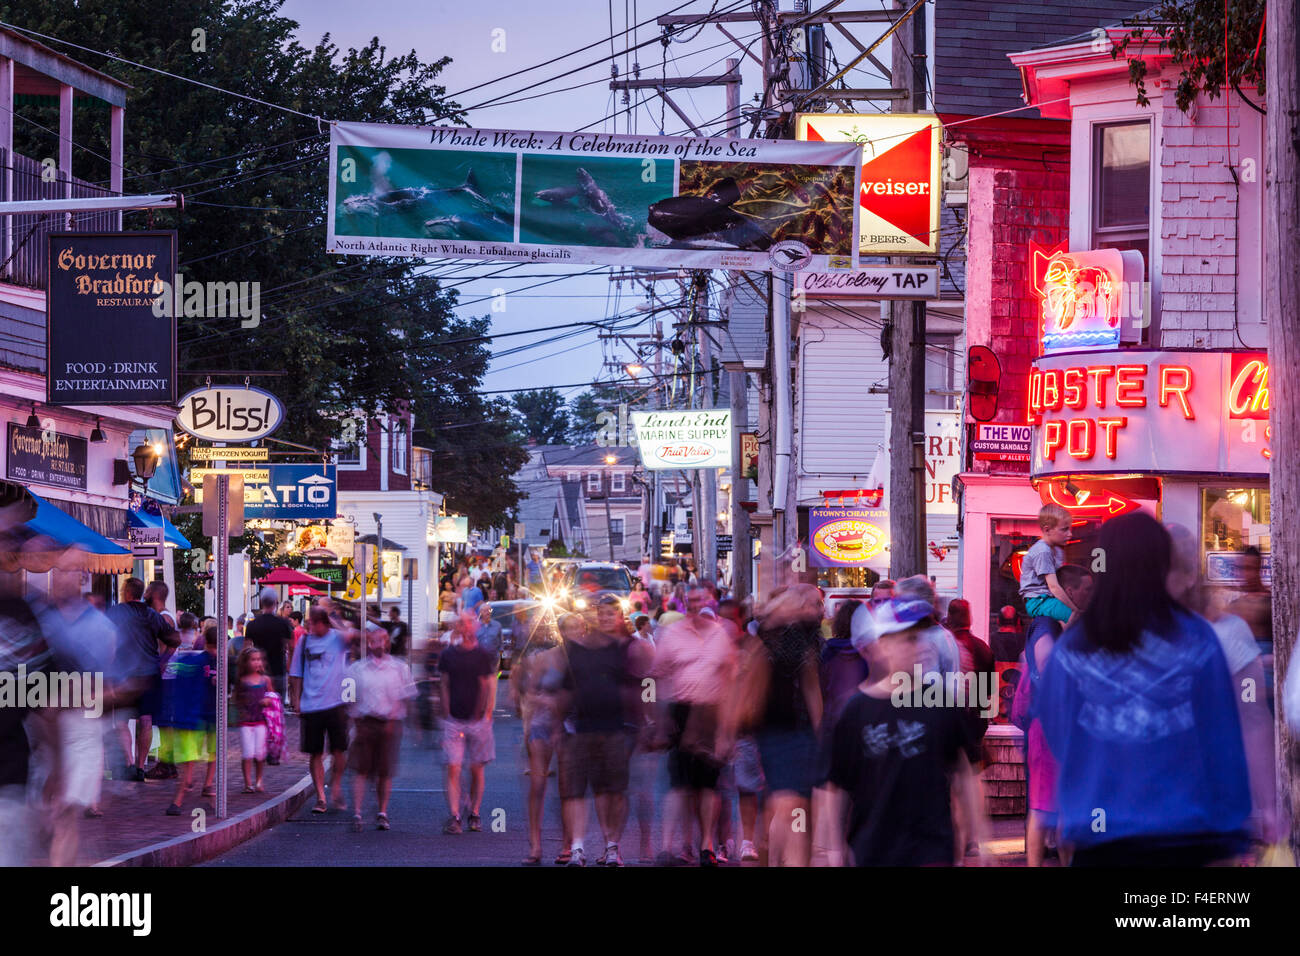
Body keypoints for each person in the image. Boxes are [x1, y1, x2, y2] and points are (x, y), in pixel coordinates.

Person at [1038, 512, 1251, 866]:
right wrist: (1233, 826)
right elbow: (1222, 738)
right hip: (1185, 836)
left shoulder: (1073, 649)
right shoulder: (1197, 640)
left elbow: (1058, 733)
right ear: (1161, 563)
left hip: (1100, 835)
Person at [824, 598, 990, 866]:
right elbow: (836, 786)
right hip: (874, 849)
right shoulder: (855, 711)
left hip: (931, 848)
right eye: (908, 639)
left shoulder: (941, 703)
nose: (919, 647)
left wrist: (978, 838)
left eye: (919, 638)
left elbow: (965, 772)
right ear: (883, 645)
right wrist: (834, 850)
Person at [1167, 525, 1275, 848]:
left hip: (1204, 807)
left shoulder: (1227, 628)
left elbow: (1253, 719)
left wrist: (1268, 805)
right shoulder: (1120, 633)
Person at [736, 584, 823, 866]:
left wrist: (820, 728)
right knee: (790, 803)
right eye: (807, 605)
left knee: (793, 805)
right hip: (778, 729)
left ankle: (775, 855)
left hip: (793, 728)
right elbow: (745, 684)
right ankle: (780, 856)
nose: (813, 611)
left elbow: (811, 686)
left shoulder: (794, 638)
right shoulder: (765, 637)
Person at [651, 586, 738, 866]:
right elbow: (655, 675)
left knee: (708, 785)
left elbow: (731, 681)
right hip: (681, 711)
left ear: (710, 603)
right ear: (685, 604)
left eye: (701, 600)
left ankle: (706, 846)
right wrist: (657, 717)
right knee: (678, 783)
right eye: (691, 601)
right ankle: (666, 848)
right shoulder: (672, 634)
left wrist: (727, 730)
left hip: (711, 712)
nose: (696, 605)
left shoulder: (720, 635)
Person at [555, 597, 642, 867]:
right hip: (581, 728)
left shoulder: (627, 647)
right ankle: (578, 848)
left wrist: (648, 719)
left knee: (613, 790)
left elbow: (646, 683)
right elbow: (565, 688)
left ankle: (613, 846)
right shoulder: (577, 650)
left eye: (609, 614)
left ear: (619, 616)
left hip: (618, 728)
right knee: (576, 791)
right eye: (600, 614)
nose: (604, 619)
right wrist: (558, 724)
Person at [1020, 564, 1092, 867]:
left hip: (1068, 725)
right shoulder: (1046, 623)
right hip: (1048, 724)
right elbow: (1046, 663)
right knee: (1041, 808)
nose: (1092, 595)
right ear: (1070, 591)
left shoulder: (1067, 625)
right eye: (1087, 589)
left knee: (1064, 807)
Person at [107, 577, 179, 782]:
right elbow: (175, 639)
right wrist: (161, 660)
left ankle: (129, 763)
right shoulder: (152, 615)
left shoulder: (116, 612)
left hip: (124, 674)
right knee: (146, 721)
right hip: (149, 673)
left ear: (127, 592)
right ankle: (140, 766)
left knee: (121, 720)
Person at [348, 622, 416, 832]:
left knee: (384, 772)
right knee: (361, 769)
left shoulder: (400, 668)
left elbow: (406, 696)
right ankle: (357, 813)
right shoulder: (357, 669)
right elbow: (347, 698)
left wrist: (399, 720)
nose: (377, 644)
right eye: (373, 640)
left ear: (387, 643)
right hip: (365, 722)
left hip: (389, 724)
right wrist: (354, 720)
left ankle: (382, 812)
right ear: (368, 643)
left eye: (382, 640)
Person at [511, 615, 568, 864]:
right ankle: (535, 846)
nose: (571, 633)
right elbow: (530, 693)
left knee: (567, 788)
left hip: (568, 726)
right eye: (566, 629)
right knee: (538, 785)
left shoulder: (583, 659)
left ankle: (569, 845)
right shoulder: (546, 658)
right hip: (541, 725)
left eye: (576, 628)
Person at [289, 607, 357, 814]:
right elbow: (296, 672)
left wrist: (333, 620)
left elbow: (353, 635)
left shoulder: (337, 638)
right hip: (311, 703)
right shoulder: (305, 641)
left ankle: (335, 785)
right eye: (309, 622)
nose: (311, 627)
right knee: (315, 752)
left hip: (335, 703)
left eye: (315, 623)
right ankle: (321, 796)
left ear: (324, 623)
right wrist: (296, 698)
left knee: (339, 751)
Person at [438, 610, 497, 834]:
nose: (466, 626)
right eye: (461, 623)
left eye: (469, 622)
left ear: (476, 626)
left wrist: (488, 713)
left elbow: (489, 684)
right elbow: (444, 683)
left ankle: (474, 811)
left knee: (476, 768)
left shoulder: (484, 655)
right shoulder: (448, 655)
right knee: (453, 766)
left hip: (478, 720)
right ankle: (454, 815)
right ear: (457, 628)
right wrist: (445, 711)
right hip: (454, 718)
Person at [164, 626, 219, 816]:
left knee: (210, 752)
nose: (215, 651)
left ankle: (207, 785)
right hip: (200, 714)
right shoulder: (201, 661)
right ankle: (182, 794)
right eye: (214, 647)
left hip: (209, 714)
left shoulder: (217, 662)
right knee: (191, 757)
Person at [1020, 503, 1080, 628]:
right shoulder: (1043, 551)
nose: (1070, 534)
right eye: (1064, 529)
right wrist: (1075, 609)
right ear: (1047, 530)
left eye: (1070, 529)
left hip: (1049, 599)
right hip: (1038, 601)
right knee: (1076, 617)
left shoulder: (1057, 550)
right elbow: (1054, 587)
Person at [1230, 545, 1273, 712]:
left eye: (1250, 568)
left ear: (1259, 569)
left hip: (1268, 682)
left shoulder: (1271, 603)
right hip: (1245, 682)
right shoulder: (1235, 605)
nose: (1246, 575)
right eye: (1242, 568)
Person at [235, 647, 272, 793]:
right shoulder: (242, 681)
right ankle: (248, 783)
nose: (257, 662)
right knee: (247, 753)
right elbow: (236, 699)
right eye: (253, 659)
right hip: (246, 722)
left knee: (260, 753)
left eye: (259, 659)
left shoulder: (265, 680)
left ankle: (259, 780)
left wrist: (268, 700)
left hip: (261, 721)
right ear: (246, 662)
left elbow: (272, 696)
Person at [246, 587, 293, 703]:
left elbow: (246, 650)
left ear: (261, 602)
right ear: (276, 602)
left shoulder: (252, 625)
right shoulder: (283, 624)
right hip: (278, 671)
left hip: (258, 673)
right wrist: (289, 667)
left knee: (258, 707)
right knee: (276, 708)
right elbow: (291, 648)